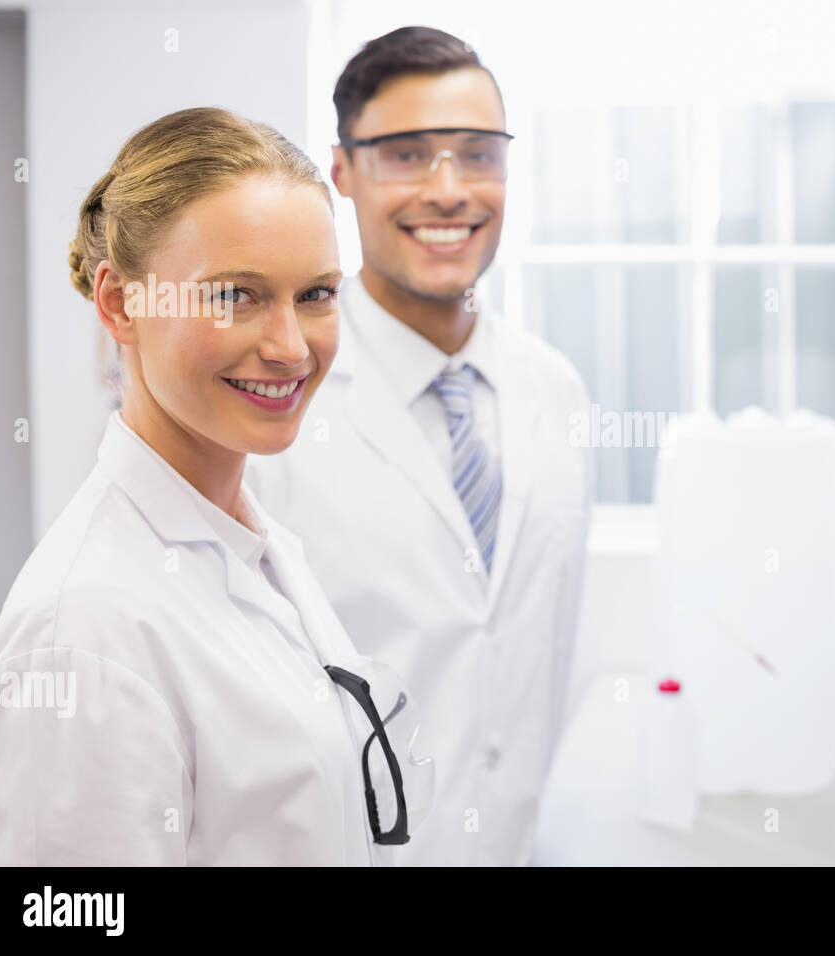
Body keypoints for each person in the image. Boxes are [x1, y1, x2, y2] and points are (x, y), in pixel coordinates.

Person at [0, 107, 430, 865]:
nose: (290, 348)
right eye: (234, 296)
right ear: (122, 303)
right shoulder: (83, 637)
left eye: (314, 294)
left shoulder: (253, 545)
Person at [248, 26, 593, 866]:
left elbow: (537, 658)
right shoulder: (271, 403)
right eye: (406, 155)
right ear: (344, 173)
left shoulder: (557, 391)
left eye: (478, 154)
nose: (448, 191)